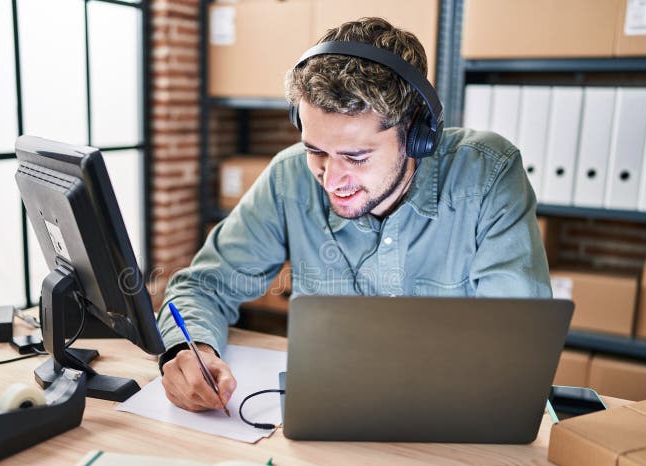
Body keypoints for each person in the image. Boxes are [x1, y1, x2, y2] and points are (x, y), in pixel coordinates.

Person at [157, 17, 551, 413]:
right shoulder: (288, 176)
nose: (331, 178)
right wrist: (192, 349)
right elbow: (204, 287)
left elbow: (515, 345)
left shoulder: (488, 175)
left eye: (355, 157)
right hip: (329, 425)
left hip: (453, 423)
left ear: (416, 135)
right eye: (316, 151)